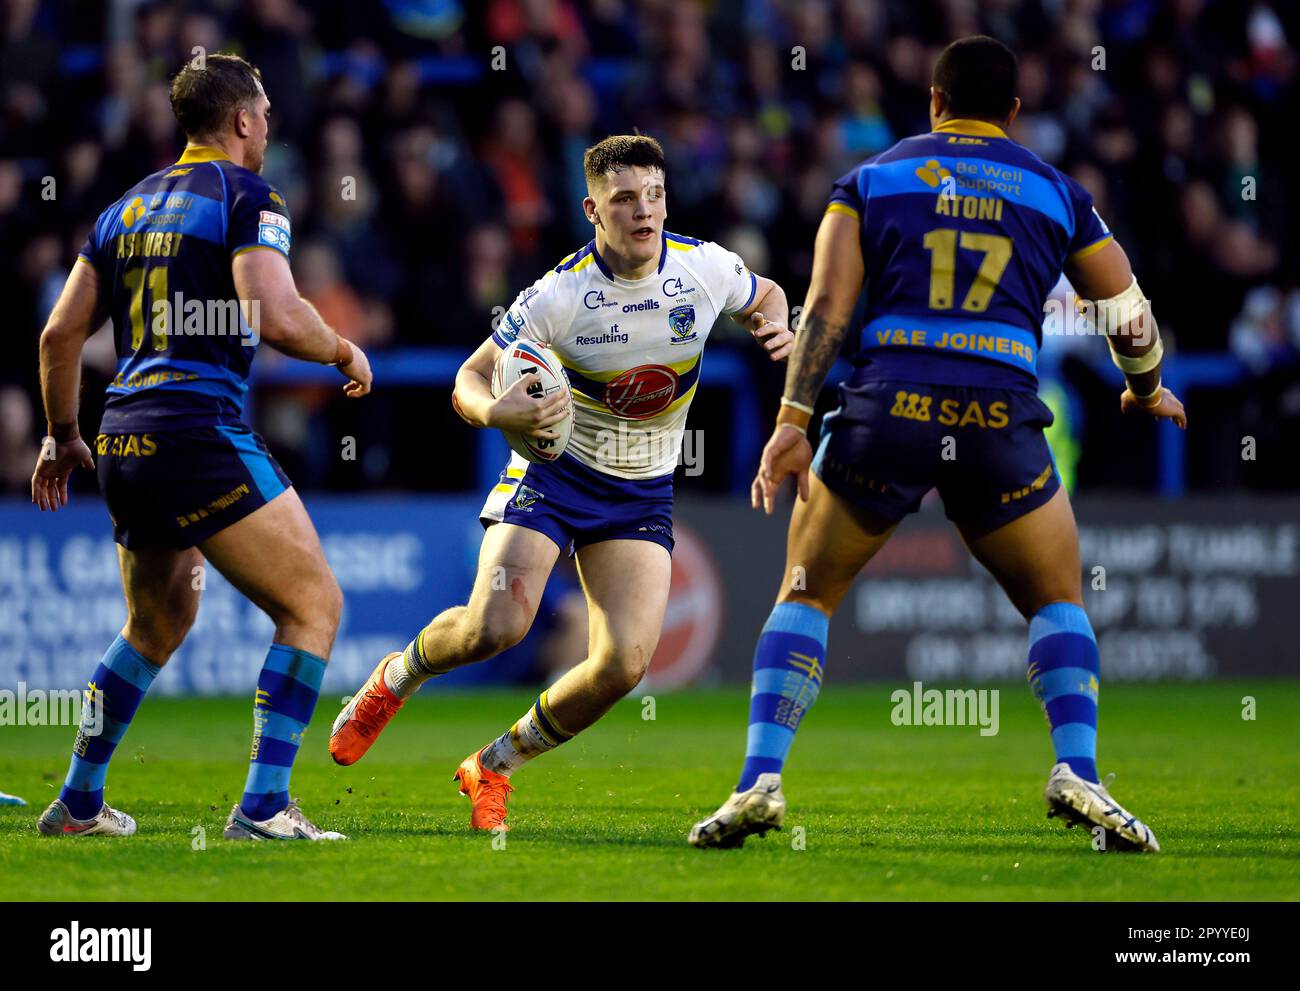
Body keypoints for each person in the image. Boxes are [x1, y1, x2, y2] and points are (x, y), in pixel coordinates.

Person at [690, 36, 1185, 852]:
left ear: (932, 99)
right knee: (1057, 600)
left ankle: (759, 781)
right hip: (1000, 418)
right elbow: (1129, 314)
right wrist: (1142, 386)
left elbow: (824, 310)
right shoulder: (1057, 191)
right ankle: (1078, 769)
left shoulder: (873, 180)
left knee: (805, 593)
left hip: (888, 411)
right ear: (1015, 112)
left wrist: (790, 421)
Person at [330, 134, 793, 831]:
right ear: (592, 209)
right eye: (625, 200)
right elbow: (469, 376)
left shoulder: (704, 270)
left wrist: (776, 321)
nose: (645, 212)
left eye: (655, 196)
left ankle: (492, 765)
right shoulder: (561, 293)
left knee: (623, 666)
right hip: (555, 472)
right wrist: (495, 410)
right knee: (497, 626)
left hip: (639, 490)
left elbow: (768, 292)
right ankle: (394, 680)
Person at [31, 53, 371, 840]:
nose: (269, 127)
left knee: (153, 628)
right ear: (244, 120)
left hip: (122, 438)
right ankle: (262, 806)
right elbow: (275, 314)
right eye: (265, 114)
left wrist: (61, 436)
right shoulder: (249, 195)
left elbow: (59, 333)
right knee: (314, 604)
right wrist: (344, 351)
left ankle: (80, 800)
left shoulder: (125, 207)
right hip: (197, 431)